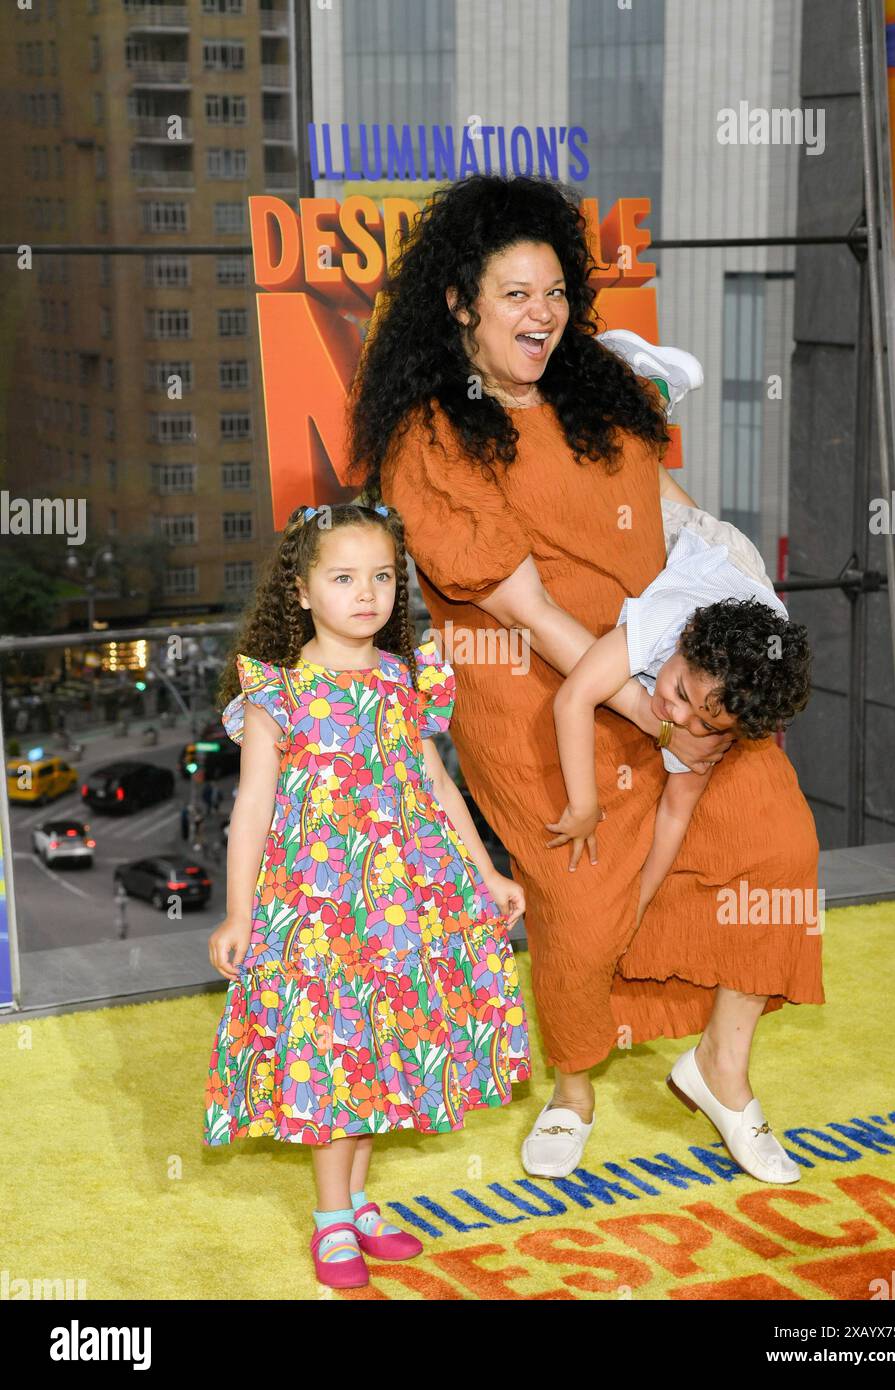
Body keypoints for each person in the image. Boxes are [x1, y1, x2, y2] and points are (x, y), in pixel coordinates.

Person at [346, 172, 823, 1187]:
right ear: (459, 303)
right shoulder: (431, 435)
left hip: (669, 669)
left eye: (556, 291)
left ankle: (721, 1073)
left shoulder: (597, 385)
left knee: (774, 838)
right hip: (537, 694)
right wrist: (645, 709)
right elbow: (533, 616)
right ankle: (573, 1085)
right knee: (583, 900)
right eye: (516, 294)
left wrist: (723, 635)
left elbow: (673, 511)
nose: (543, 314)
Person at [202, 501, 531, 1289]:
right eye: (344, 578)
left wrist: (482, 871)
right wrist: (240, 911)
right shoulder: (276, 692)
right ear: (303, 591)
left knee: (380, 1041)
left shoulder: (402, 676)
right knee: (329, 1048)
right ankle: (330, 1220)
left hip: (401, 900)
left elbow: (433, 782)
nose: (367, 594)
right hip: (316, 905)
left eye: (381, 577)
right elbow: (250, 811)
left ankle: (355, 1202)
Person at [545, 511, 812, 952]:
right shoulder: (667, 620)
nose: (681, 719)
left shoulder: (715, 720)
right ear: (684, 642)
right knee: (651, 496)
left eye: (705, 723)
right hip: (724, 552)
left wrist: (637, 908)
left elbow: (675, 812)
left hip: (760, 615)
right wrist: (583, 805)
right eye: (681, 693)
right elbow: (573, 698)